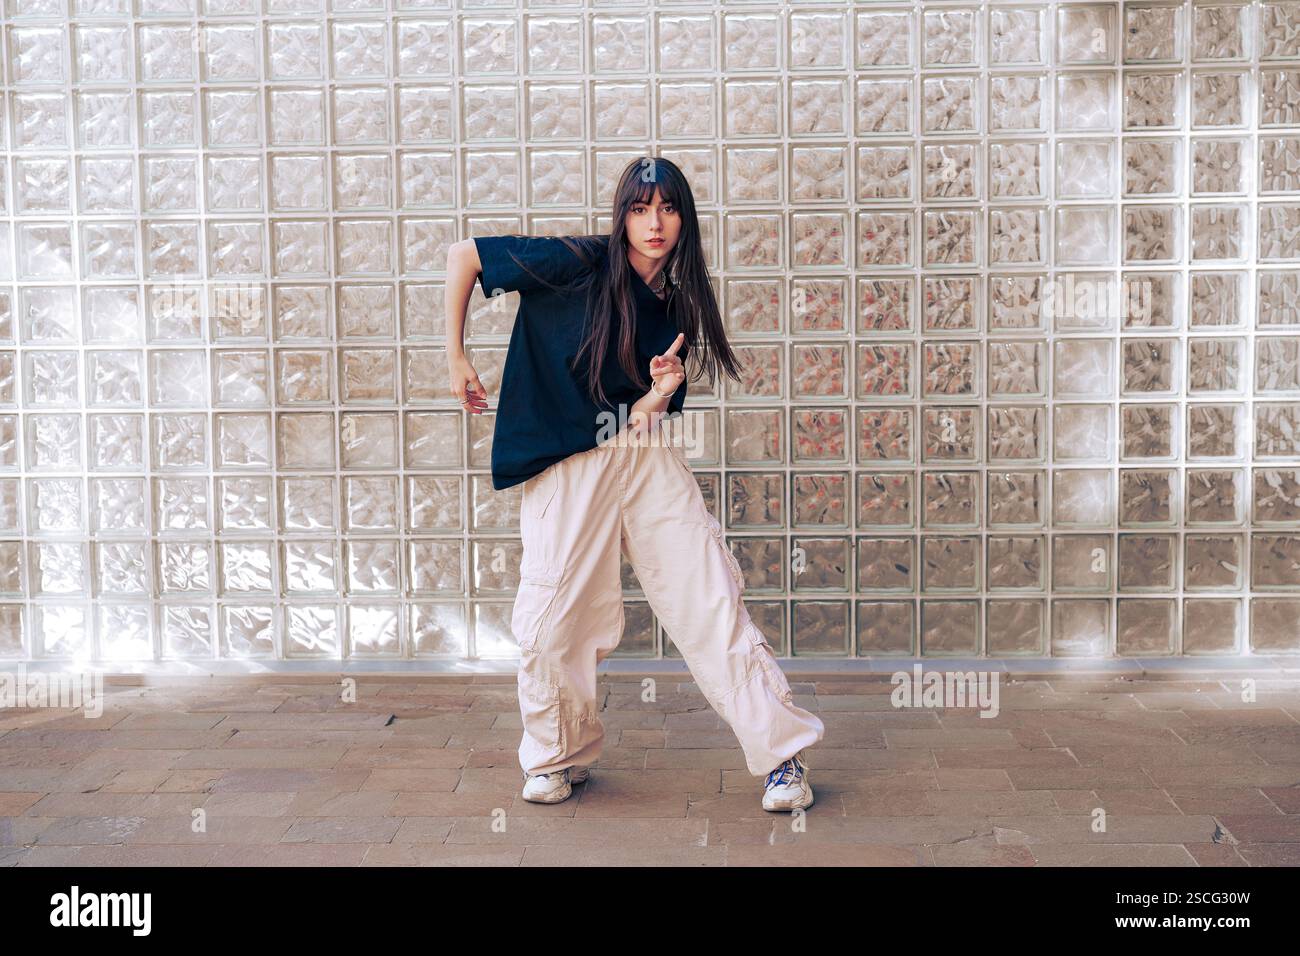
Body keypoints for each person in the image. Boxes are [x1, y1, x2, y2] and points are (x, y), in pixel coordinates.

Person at [442, 156, 825, 811]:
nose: (655, 223)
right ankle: (555, 758)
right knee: (555, 617)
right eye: (642, 208)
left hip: (644, 460)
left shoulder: (677, 305)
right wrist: (456, 357)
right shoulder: (576, 260)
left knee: (709, 600)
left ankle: (782, 759)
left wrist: (663, 389)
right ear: (622, 215)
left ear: (684, 221)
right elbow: (465, 256)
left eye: (669, 209)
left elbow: (642, 419)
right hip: (568, 466)